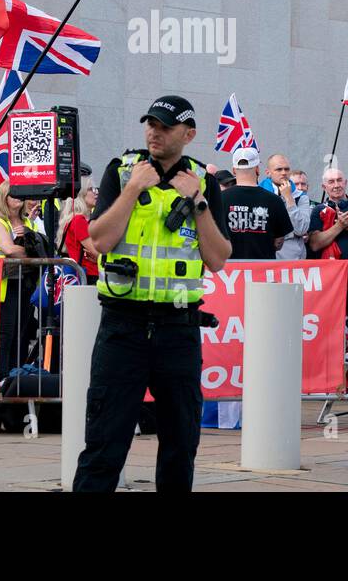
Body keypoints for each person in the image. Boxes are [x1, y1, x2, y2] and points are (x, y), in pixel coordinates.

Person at [73, 95, 230, 493]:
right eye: (150, 124)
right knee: (104, 442)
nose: (153, 132)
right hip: (122, 327)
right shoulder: (122, 170)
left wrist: (198, 202)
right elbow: (101, 240)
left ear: (188, 134)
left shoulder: (204, 182)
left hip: (178, 327)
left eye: (164, 126)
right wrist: (131, 192)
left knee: (180, 443)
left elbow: (218, 259)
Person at [308, 166, 348, 356]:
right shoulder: (318, 211)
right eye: (331, 182)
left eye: (339, 180)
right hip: (329, 281)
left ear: (345, 183)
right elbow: (315, 244)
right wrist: (339, 226)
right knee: (329, 329)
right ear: (324, 187)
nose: (336, 185)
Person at [0, 181, 42, 378]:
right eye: (13, 193)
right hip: (3, 287)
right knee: (5, 335)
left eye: (20, 193)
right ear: (3, 197)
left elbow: (42, 247)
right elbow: (10, 250)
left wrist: (30, 249)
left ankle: (16, 377)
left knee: (21, 335)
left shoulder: (28, 223)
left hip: (25, 285)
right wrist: (32, 251)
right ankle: (0, 379)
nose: (18, 196)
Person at [224, 147, 293, 261]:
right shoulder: (275, 201)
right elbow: (278, 242)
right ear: (257, 169)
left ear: (234, 170)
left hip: (228, 271)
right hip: (263, 270)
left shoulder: (220, 199)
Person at [261, 153, 311, 260]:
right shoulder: (258, 193)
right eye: (279, 169)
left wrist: (289, 198)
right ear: (268, 172)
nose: (284, 173)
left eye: (287, 169)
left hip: (292, 256)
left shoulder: (300, 196)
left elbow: (301, 229)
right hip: (263, 252)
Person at [57, 174, 100, 280]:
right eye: (91, 189)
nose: (96, 192)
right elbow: (98, 252)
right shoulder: (78, 220)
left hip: (85, 275)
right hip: (88, 276)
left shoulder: (75, 219)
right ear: (81, 194)